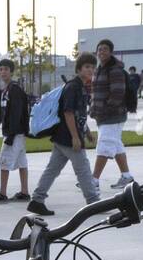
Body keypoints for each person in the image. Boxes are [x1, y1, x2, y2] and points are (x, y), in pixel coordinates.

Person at [29, 52, 100, 214]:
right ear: (79, 69)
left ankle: (37, 199)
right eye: (87, 67)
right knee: (83, 169)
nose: (90, 70)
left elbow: (78, 114)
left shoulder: (80, 86)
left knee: (52, 170)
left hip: (63, 137)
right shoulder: (73, 87)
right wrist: (76, 137)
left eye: (93, 68)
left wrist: (87, 131)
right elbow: (68, 113)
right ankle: (93, 202)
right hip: (68, 137)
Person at [90, 39, 135, 188]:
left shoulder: (115, 70)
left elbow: (117, 93)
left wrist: (105, 109)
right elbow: (95, 92)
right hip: (103, 116)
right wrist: (94, 108)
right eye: (99, 49)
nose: (101, 52)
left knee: (104, 146)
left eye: (105, 49)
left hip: (112, 116)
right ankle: (126, 177)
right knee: (116, 146)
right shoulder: (99, 69)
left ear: (110, 52)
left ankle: (94, 180)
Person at [0, 58, 30, 202]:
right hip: (17, 133)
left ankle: (2, 193)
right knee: (21, 162)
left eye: (6, 69)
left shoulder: (14, 89)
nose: (2, 72)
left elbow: (16, 113)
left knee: (4, 162)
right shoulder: (6, 90)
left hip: (14, 133)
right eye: (0, 69)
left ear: (11, 72)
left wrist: (11, 134)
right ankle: (24, 192)